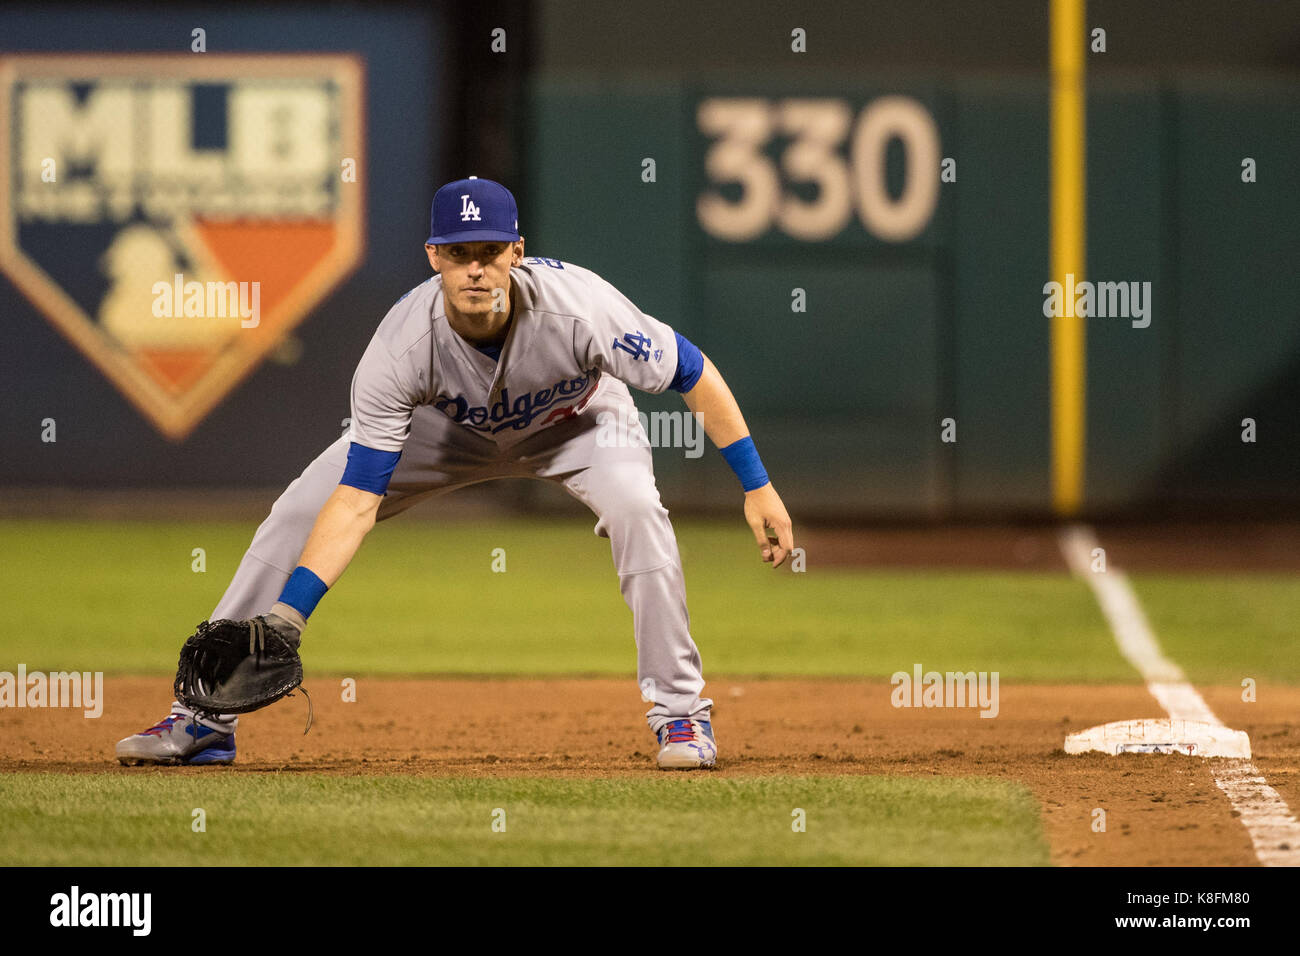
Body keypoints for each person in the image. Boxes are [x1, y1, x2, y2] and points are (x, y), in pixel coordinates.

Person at [115, 177, 794, 771]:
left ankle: (681, 713)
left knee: (638, 511)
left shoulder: (580, 306)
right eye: (460, 253)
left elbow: (694, 374)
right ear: (434, 256)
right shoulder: (399, 347)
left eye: (490, 252)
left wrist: (756, 483)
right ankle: (204, 718)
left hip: (579, 423)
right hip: (446, 432)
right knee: (298, 509)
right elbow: (356, 501)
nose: (476, 268)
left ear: (516, 253)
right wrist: (290, 617)